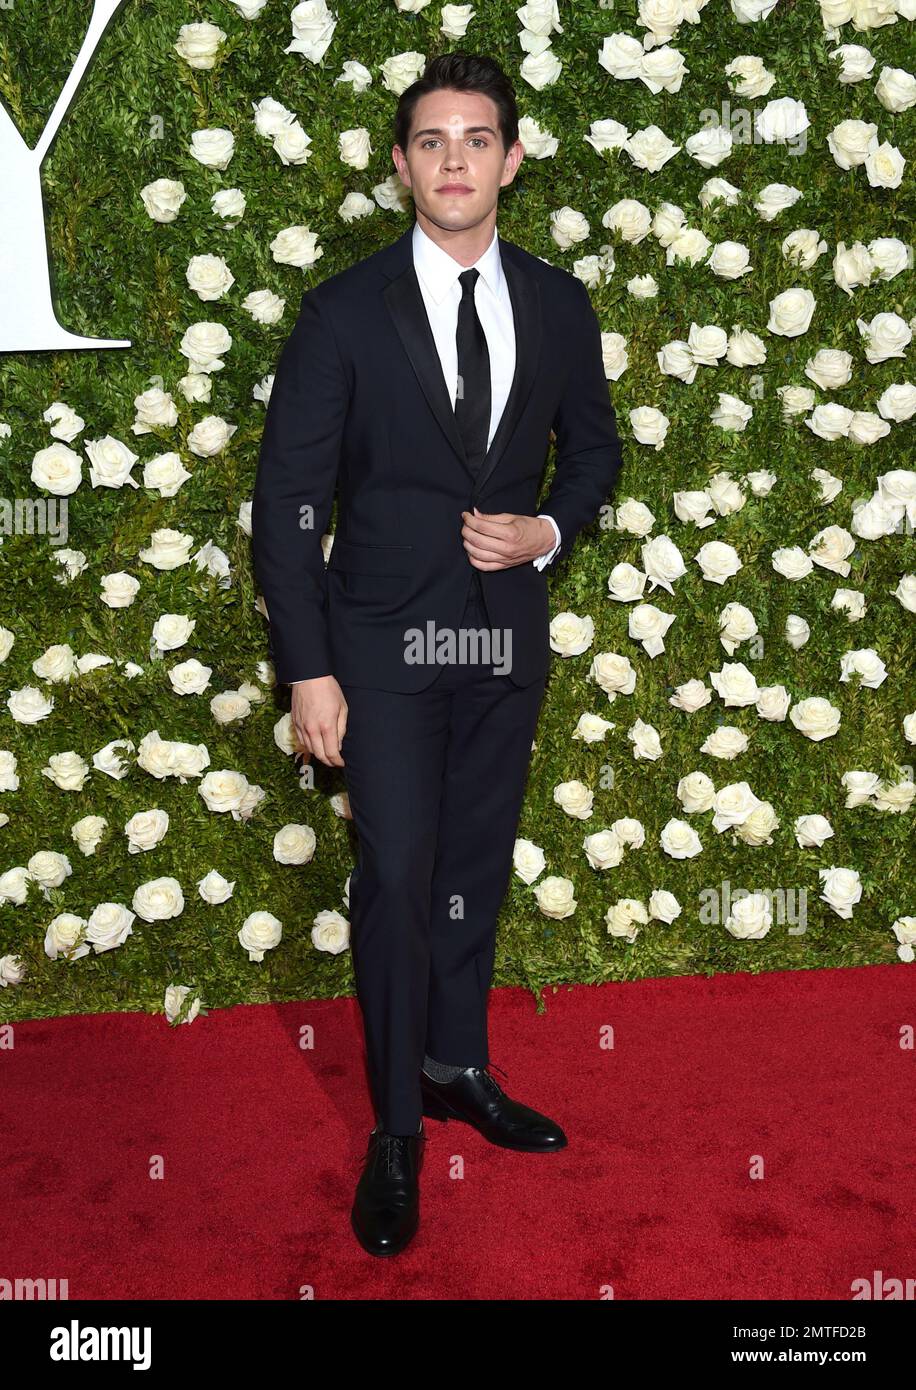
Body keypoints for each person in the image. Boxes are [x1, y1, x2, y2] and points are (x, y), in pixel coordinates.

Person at [252, 50, 622, 1258]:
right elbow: (289, 500)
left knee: (473, 860)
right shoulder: (344, 312)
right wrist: (309, 668)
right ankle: (397, 1131)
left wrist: (548, 528)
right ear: (402, 163)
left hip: (502, 639)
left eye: (475, 139)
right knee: (398, 872)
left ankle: (459, 1063)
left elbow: (598, 456)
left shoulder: (562, 305)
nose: (453, 159)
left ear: (510, 160)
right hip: (380, 651)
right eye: (430, 141)